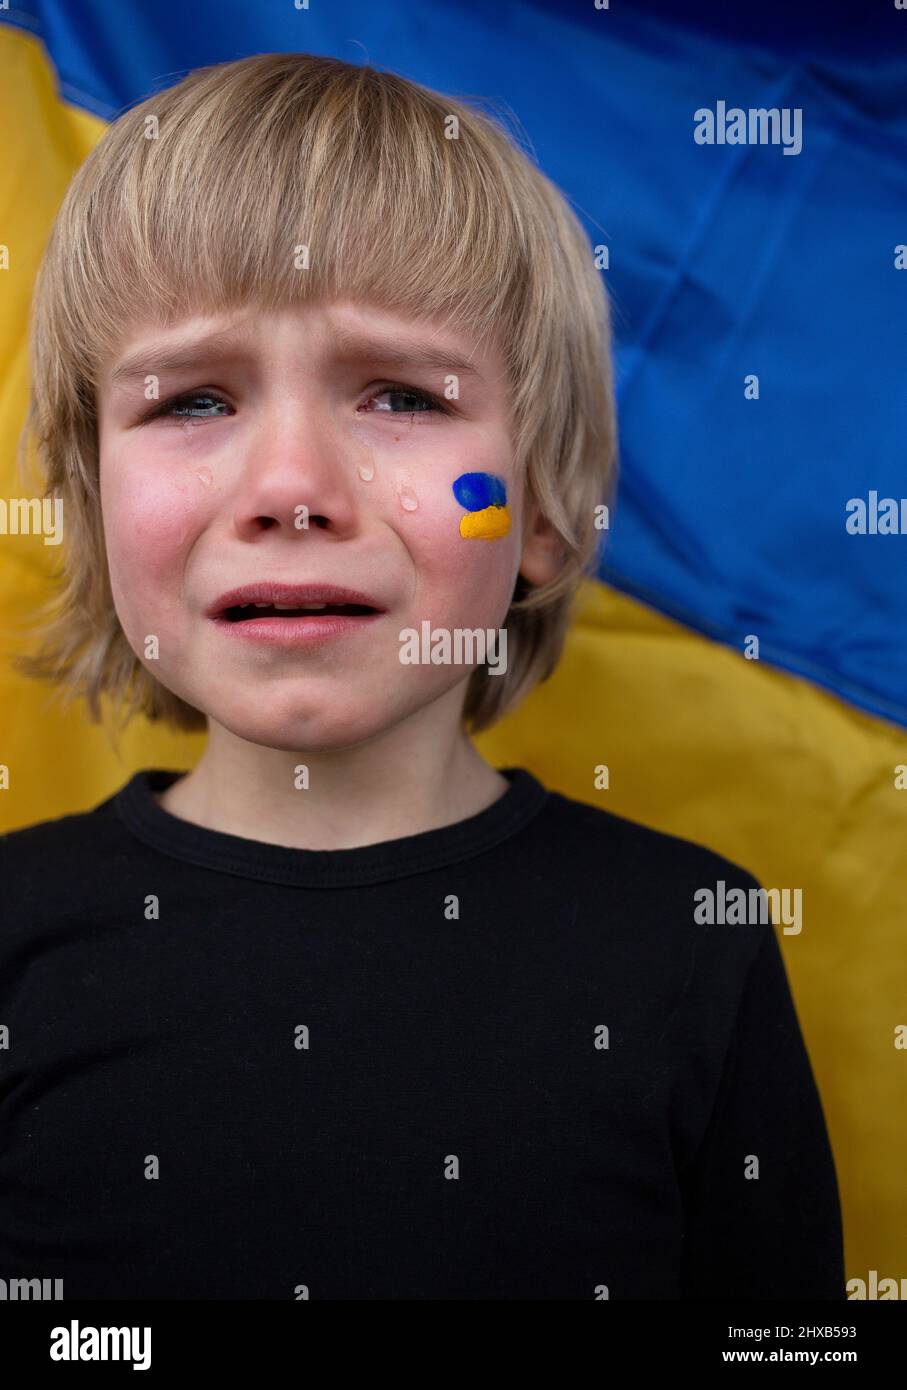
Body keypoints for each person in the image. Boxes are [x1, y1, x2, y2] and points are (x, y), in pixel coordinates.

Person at [0, 52, 843, 1299]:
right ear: (93, 502)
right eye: (190, 401)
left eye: (400, 393)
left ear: (543, 510)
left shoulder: (692, 938)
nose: (290, 488)